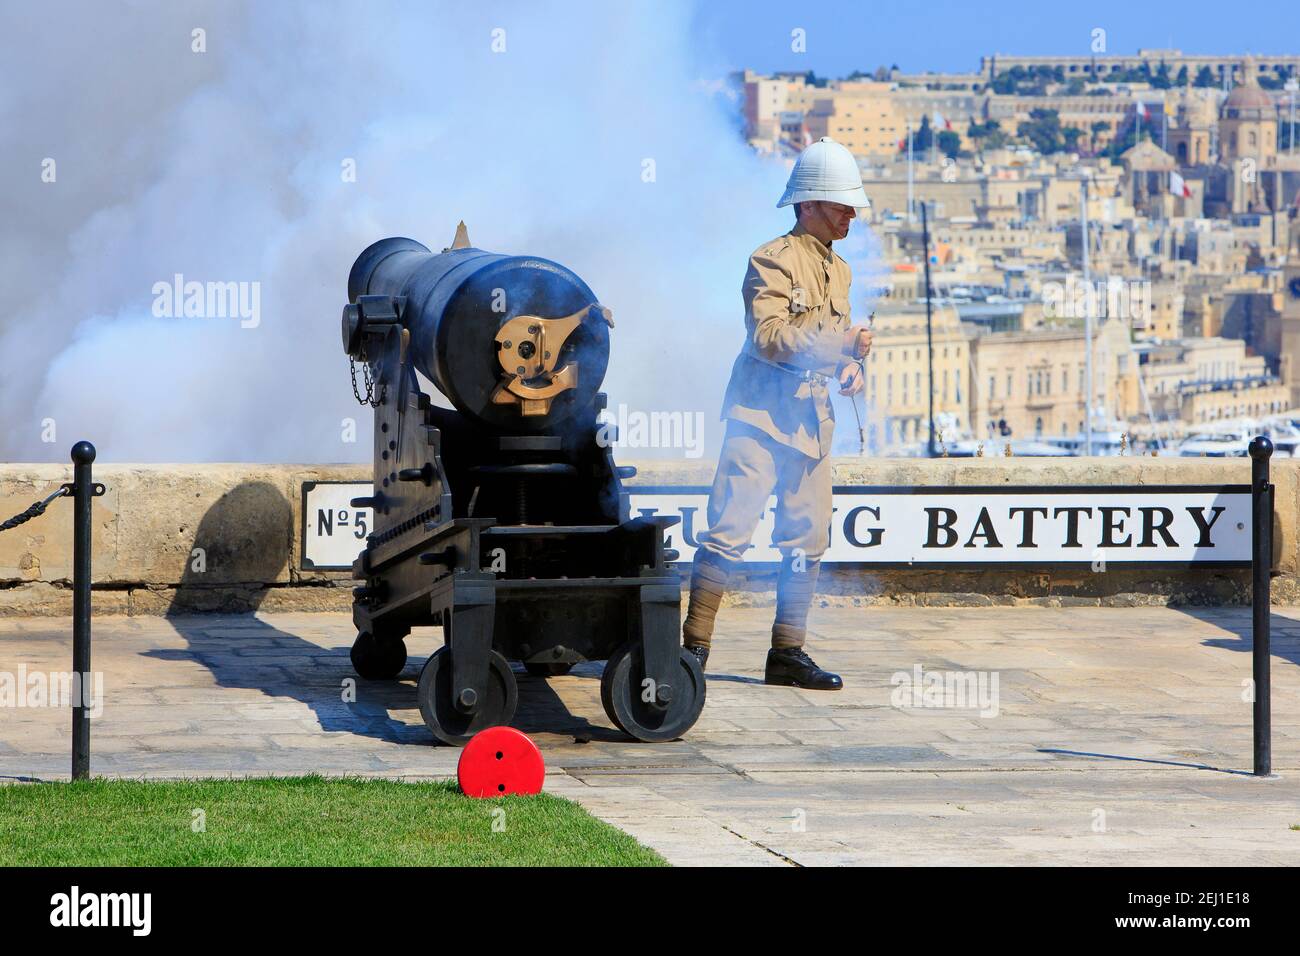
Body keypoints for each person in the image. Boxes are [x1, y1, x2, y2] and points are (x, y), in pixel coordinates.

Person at [681, 137, 873, 690]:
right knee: (728, 533)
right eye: (841, 204)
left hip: (811, 422)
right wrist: (841, 341)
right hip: (759, 418)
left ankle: (787, 652)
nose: (851, 214)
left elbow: (830, 347)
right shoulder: (770, 259)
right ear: (809, 203)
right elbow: (767, 337)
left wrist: (849, 369)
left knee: (807, 539)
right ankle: (693, 648)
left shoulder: (841, 272)